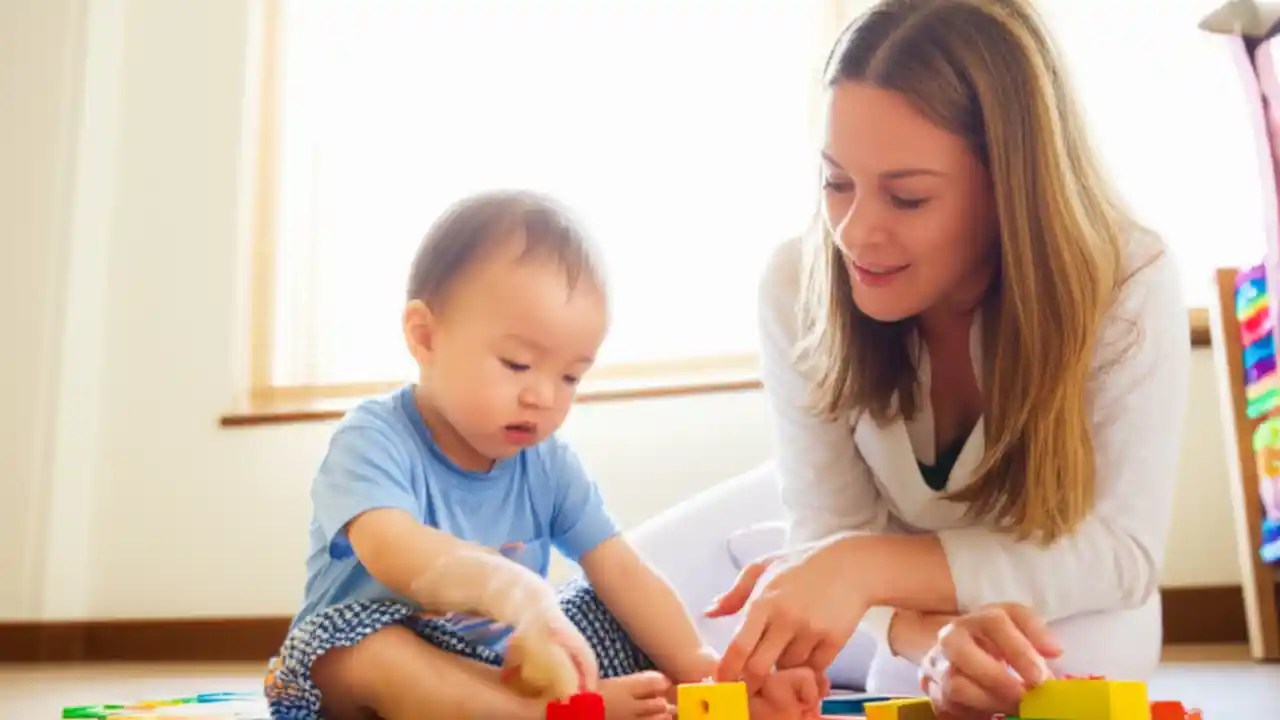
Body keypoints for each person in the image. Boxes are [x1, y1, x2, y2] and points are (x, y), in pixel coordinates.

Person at [626, 0, 1189, 717]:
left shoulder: (1126, 278)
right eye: (836, 183)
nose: (856, 233)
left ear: (1008, 188)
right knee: (621, 602)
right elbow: (828, 527)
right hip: (877, 584)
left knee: (1038, 680)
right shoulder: (795, 282)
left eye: (908, 196)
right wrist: (915, 631)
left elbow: (1119, 555)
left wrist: (860, 568)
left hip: (1052, 596)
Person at [263, 191, 825, 720]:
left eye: (571, 377)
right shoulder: (374, 436)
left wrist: (705, 673)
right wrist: (514, 591)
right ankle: (546, 713)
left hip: (502, 668)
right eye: (516, 364)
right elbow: (393, 551)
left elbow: (622, 570)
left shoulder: (548, 463)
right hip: (373, 656)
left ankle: (579, 702)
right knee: (363, 649)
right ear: (425, 336)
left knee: (608, 609)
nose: (543, 396)